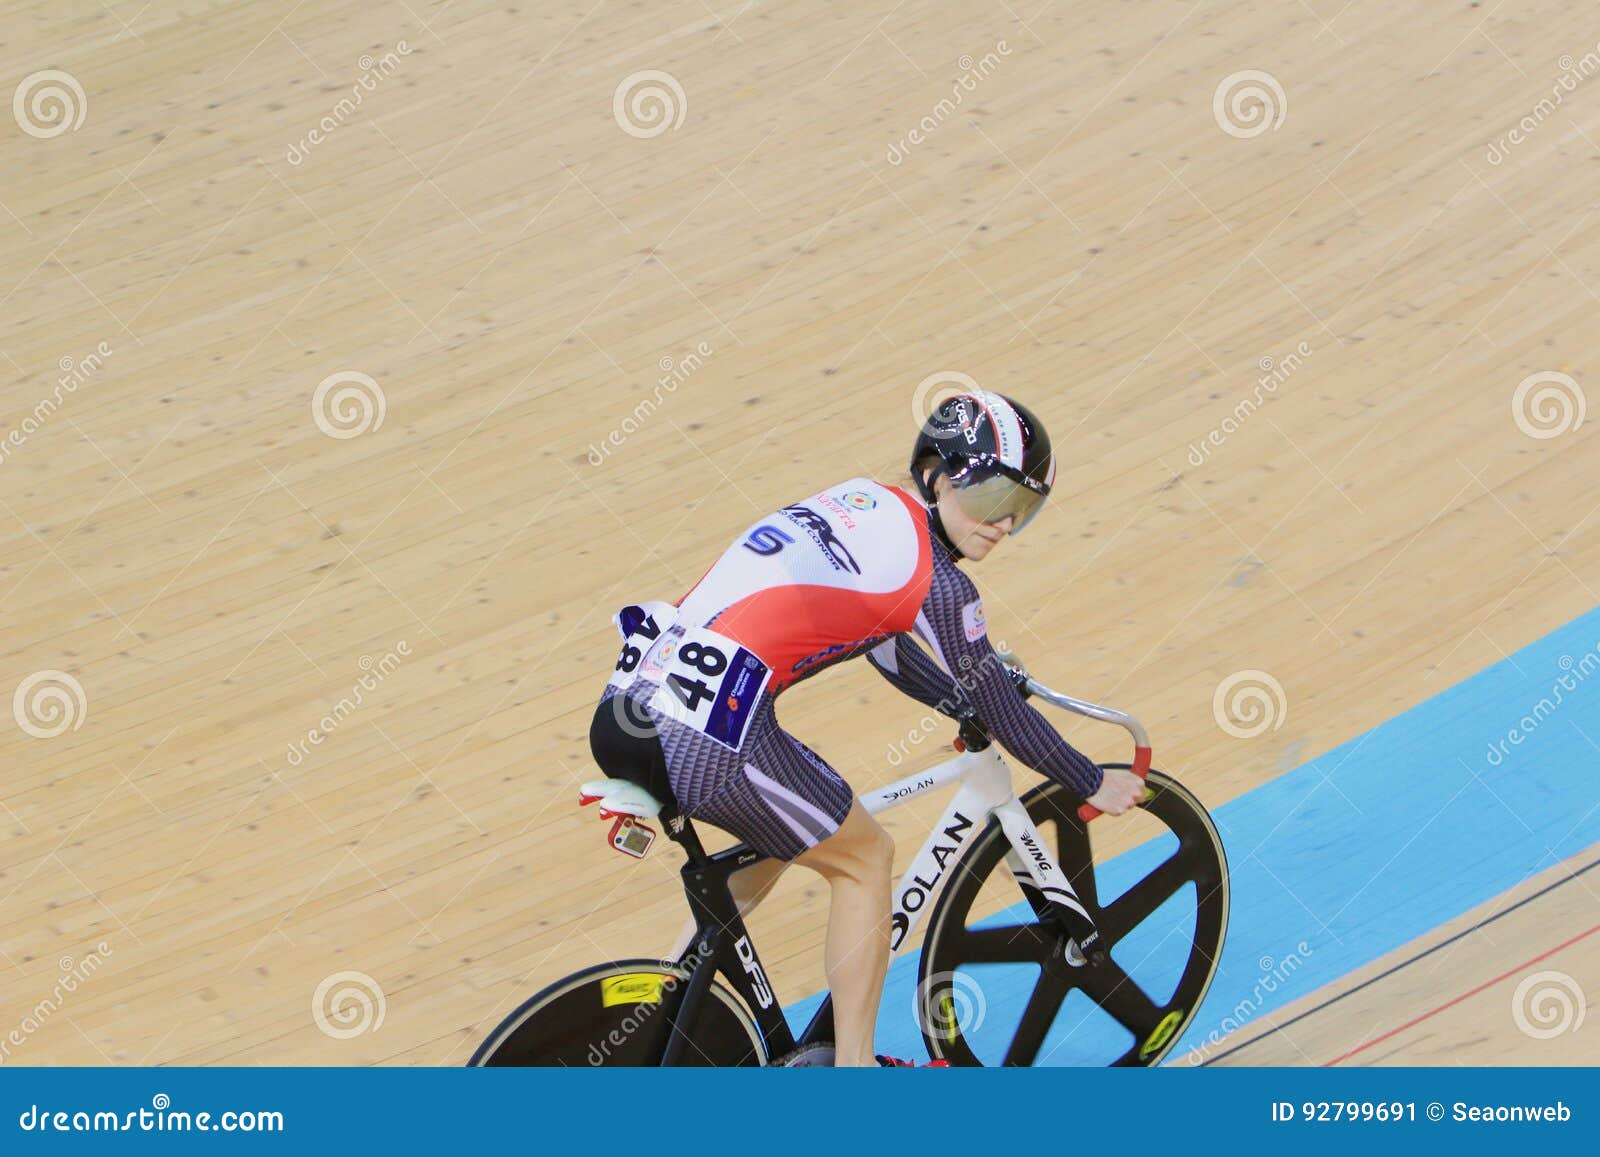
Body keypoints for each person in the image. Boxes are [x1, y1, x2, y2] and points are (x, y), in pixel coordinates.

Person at [588, 391, 1147, 1067]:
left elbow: (886, 645)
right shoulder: (942, 585)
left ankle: (674, 993)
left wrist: (955, 699)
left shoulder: (868, 505)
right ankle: (853, 1077)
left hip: (630, 700)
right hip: (707, 737)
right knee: (867, 858)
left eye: (1022, 509)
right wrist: (1090, 777)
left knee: (797, 823)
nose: (1002, 521)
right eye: (994, 492)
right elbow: (998, 702)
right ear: (937, 472)